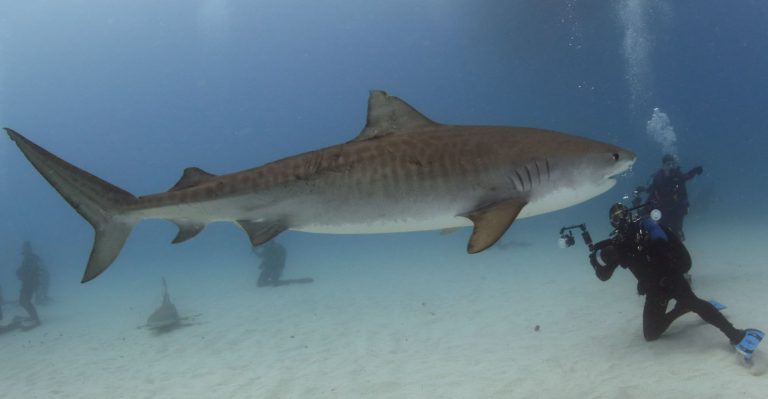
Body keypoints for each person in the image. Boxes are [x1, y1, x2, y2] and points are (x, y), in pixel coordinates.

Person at [587, 203, 762, 356]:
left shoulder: (645, 231)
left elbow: (666, 252)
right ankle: (681, 309)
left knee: (695, 302)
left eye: (623, 215)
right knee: (651, 334)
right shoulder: (618, 245)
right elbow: (604, 276)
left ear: (630, 214)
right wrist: (594, 260)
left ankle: (735, 334)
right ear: (612, 223)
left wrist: (667, 276)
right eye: (616, 219)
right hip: (654, 290)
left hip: (671, 279)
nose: (621, 220)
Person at [634, 154, 703, 241]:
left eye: (672, 164)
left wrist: (695, 171)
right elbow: (650, 190)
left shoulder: (677, 175)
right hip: (661, 209)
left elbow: (687, 176)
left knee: (676, 234)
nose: (671, 167)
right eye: (668, 164)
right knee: (656, 229)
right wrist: (642, 189)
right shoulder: (658, 178)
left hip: (675, 210)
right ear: (663, 166)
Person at [17, 241, 42, 327]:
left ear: (28, 248)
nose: (23, 250)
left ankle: (35, 319)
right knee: (23, 301)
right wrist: (19, 272)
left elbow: (31, 271)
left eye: (25, 248)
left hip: (30, 284)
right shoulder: (27, 258)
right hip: (27, 283)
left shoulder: (32, 258)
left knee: (24, 301)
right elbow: (25, 270)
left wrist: (22, 272)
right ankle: (34, 317)